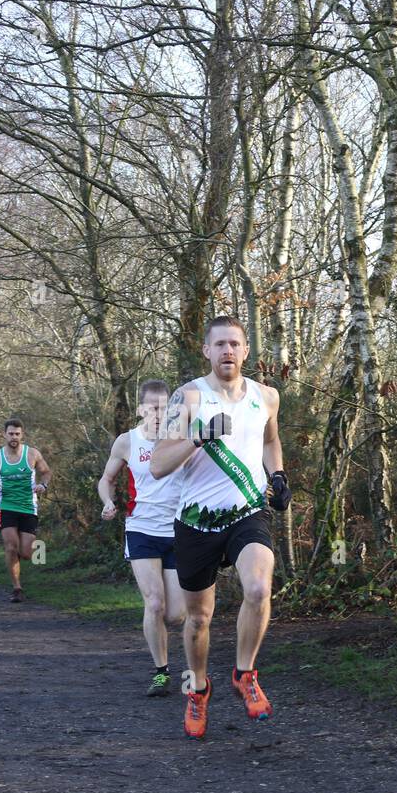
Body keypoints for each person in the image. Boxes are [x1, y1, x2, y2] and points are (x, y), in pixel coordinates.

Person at [151, 315, 291, 739]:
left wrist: (279, 475)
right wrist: (198, 438)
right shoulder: (188, 397)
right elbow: (158, 464)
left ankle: (244, 673)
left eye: (235, 344)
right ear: (207, 351)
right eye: (220, 345)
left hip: (247, 512)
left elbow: (269, 440)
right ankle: (197, 688)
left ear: (246, 351)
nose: (228, 351)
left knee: (258, 588)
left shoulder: (267, 396)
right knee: (198, 620)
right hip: (196, 521)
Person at [98, 379, 186, 696]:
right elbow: (106, 479)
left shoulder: (182, 439)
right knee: (154, 602)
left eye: (165, 407)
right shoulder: (127, 442)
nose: (160, 413)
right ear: (141, 408)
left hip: (178, 531)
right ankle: (161, 672)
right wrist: (108, 501)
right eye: (153, 407)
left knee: (177, 613)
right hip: (141, 529)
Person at [0, 418, 52, 603]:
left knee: (27, 553)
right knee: (11, 547)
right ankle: (17, 588)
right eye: (10, 433)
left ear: (22, 435)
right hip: (6, 507)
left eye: (17, 434)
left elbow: (46, 472)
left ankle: (19, 559)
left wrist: (43, 485)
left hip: (28, 507)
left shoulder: (32, 454)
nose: (14, 437)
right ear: (4, 434)